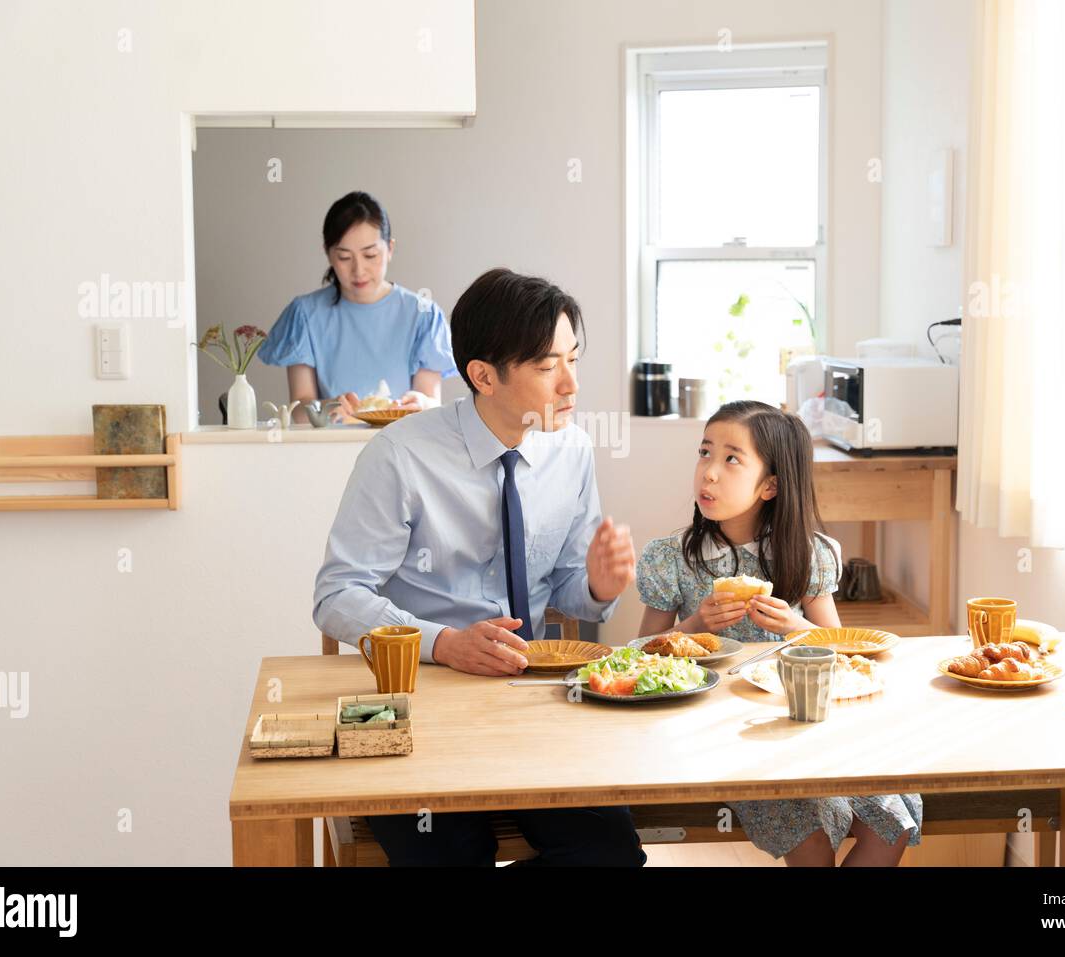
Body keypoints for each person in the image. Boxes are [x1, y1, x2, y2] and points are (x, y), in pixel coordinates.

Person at [313, 267, 644, 866]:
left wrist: (598, 584)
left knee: (614, 854)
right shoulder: (400, 455)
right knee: (445, 859)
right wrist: (444, 644)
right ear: (483, 376)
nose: (570, 383)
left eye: (573, 358)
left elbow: (569, 592)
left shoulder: (571, 449)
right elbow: (337, 595)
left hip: (535, 700)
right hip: (413, 699)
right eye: (547, 366)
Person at [635, 400, 922, 866]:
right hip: (726, 733)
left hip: (807, 720)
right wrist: (695, 628)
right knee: (810, 844)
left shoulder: (808, 553)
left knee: (891, 821)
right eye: (704, 452)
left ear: (770, 485)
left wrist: (795, 626)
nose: (708, 472)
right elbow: (640, 656)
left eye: (731, 459)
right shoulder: (672, 558)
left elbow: (847, 653)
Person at [258, 191, 456, 423]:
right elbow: (300, 411)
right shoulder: (304, 314)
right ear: (328, 253)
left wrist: (422, 404)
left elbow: (431, 402)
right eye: (344, 258)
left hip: (400, 449)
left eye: (370, 255)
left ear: (390, 249)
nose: (358, 270)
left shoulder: (423, 314)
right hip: (326, 451)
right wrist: (327, 407)